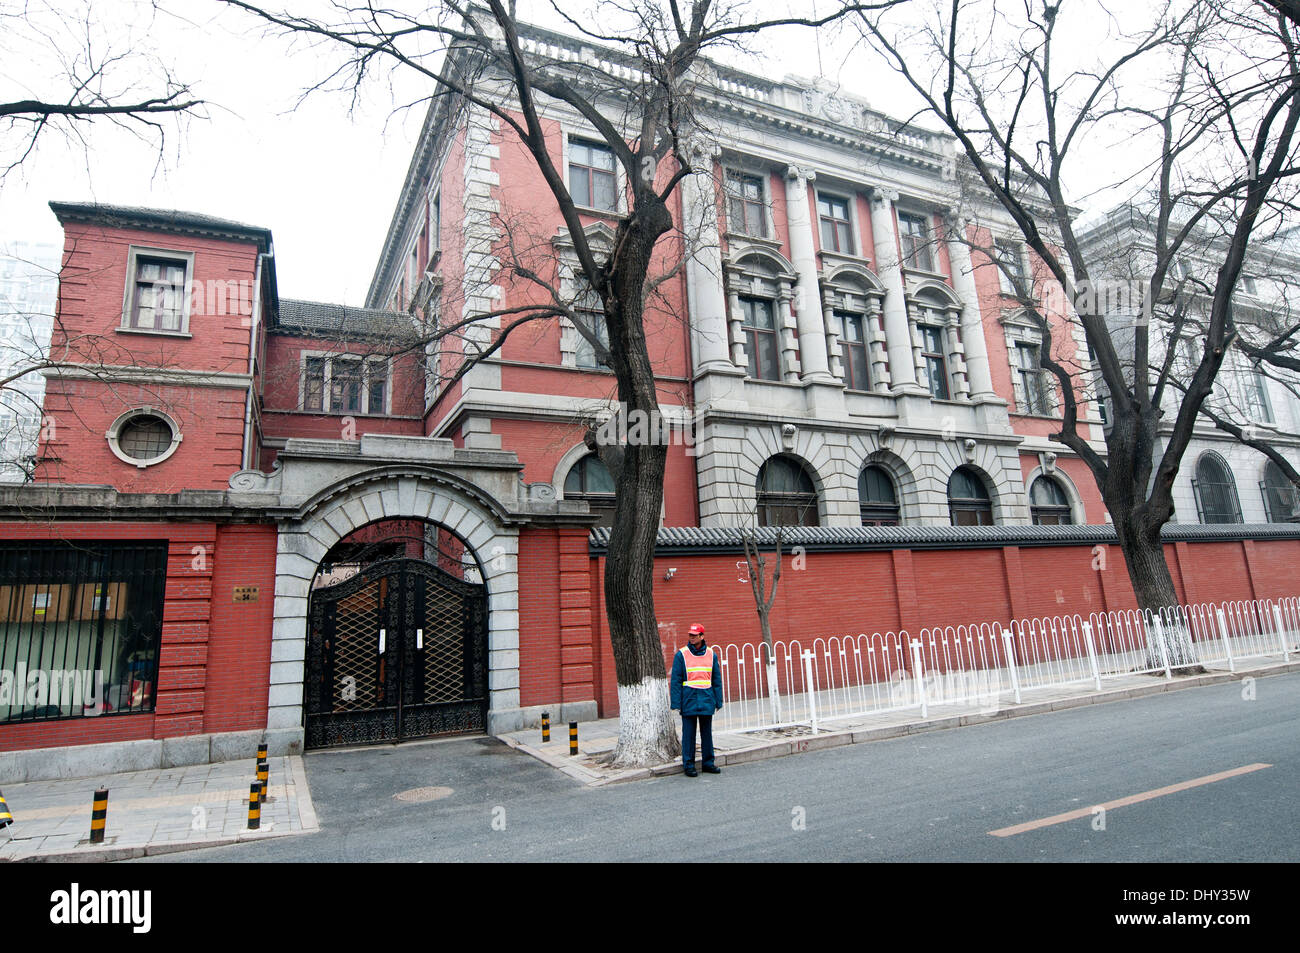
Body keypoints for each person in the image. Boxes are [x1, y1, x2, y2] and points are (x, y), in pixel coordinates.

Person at [670, 622, 722, 777]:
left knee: (707, 733)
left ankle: (708, 763)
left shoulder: (711, 654)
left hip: (706, 698)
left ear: (702, 636)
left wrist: (718, 701)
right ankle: (689, 765)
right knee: (689, 735)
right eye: (690, 635)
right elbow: (676, 680)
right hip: (689, 699)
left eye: (694, 635)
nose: (691, 638)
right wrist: (676, 703)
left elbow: (716, 680)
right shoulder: (682, 654)